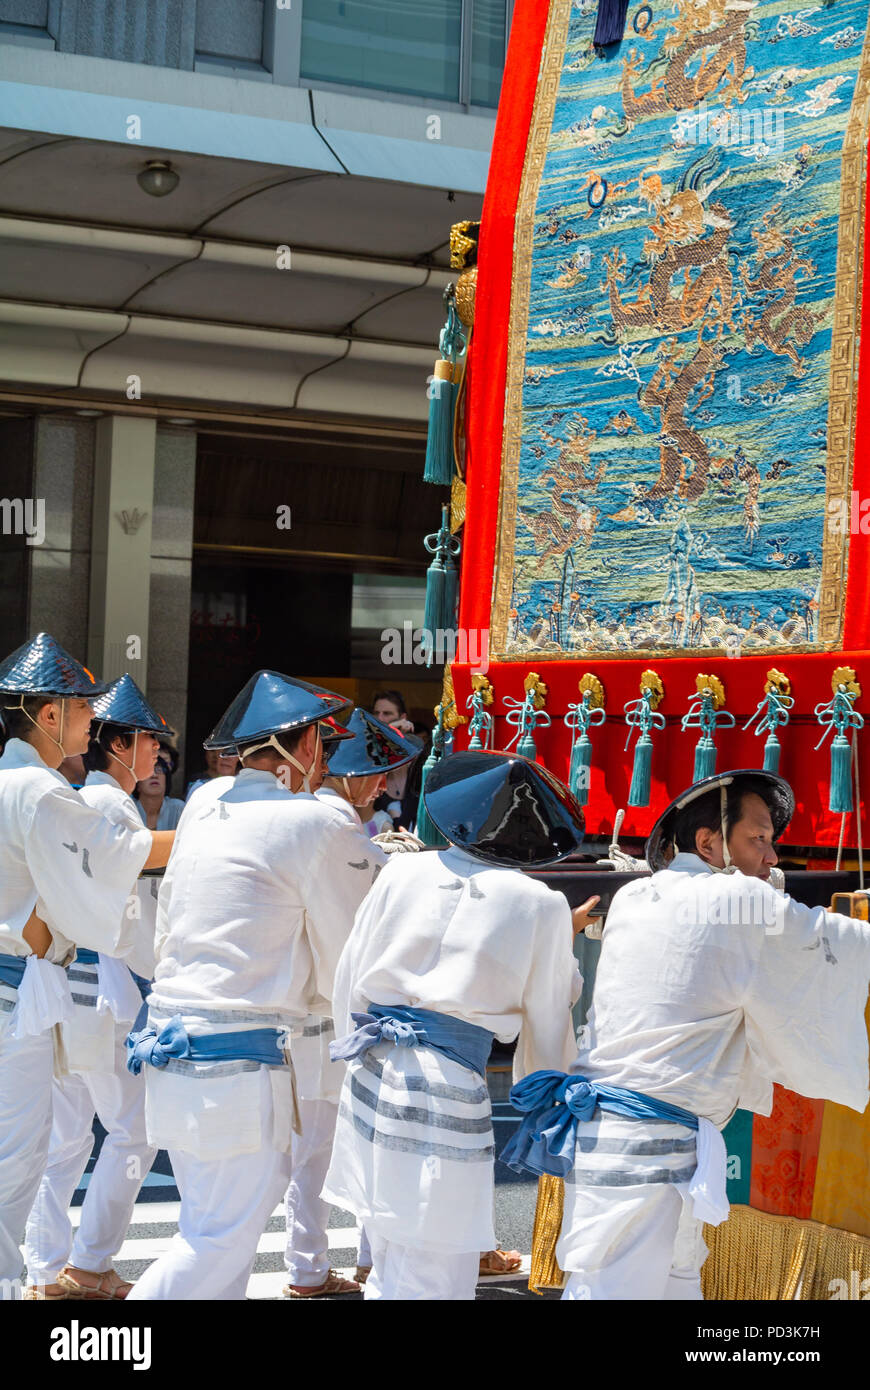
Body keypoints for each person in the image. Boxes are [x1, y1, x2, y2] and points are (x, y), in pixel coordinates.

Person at [507, 769, 870, 1301]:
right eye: (760, 838)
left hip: (626, 1131)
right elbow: (834, 941)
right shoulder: (739, 902)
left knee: (666, 1284)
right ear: (708, 842)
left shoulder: (635, 896)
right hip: (649, 1137)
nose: (771, 858)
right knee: (613, 1291)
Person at [124, 670, 386, 1301]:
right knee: (218, 1239)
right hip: (235, 1057)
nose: (324, 759)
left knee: (211, 1227)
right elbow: (347, 953)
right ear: (297, 750)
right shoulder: (314, 824)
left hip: (171, 1035)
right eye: (320, 744)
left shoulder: (207, 803)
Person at [322, 749, 596, 1301]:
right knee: (440, 1263)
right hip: (447, 1080)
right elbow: (549, 1007)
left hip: (374, 1063)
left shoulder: (402, 871)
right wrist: (547, 1092)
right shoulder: (537, 903)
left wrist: (346, 1048)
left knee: (394, 1245)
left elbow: (349, 972)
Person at [0, 633, 173, 1299]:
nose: (89, 721)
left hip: (31, 984)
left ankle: (44, 1272)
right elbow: (110, 863)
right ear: (50, 716)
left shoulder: (24, 782)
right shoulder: (42, 793)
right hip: (23, 988)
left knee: (46, 1149)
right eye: (79, 709)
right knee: (20, 1159)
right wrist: (222, 832)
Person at [282, 710, 418, 1299]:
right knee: (329, 1145)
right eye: (379, 773)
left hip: (317, 1007)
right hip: (332, 1009)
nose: (384, 787)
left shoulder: (321, 822)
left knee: (319, 1147)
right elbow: (351, 938)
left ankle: (328, 1263)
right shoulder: (334, 828)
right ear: (357, 776)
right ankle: (320, 1267)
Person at [371, 690, 422, 830]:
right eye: (376, 713)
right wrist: (389, 732)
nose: (380, 718)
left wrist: (392, 734)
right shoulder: (368, 756)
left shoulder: (417, 755)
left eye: (387, 713)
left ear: (402, 718)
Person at [134, 731, 185, 830]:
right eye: (149, 770)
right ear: (137, 783)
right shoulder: (127, 808)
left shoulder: (179, 809)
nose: (154, 775)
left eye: (159, 770)